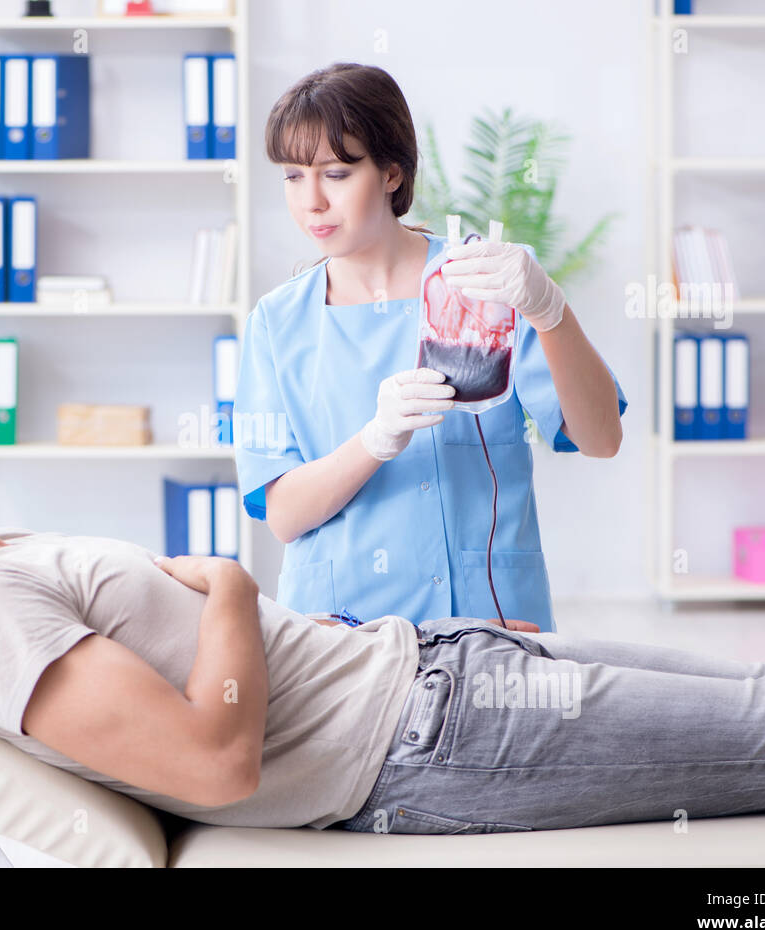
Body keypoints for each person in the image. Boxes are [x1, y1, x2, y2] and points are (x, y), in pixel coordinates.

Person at [0, 383, 765, 833]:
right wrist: (229, 582)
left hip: (434, 672)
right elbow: (212, 763)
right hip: (433, 740)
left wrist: (413, 640)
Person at [234, 63, 627, 633]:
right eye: (293, 176)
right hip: (343, 637)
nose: (311, 201)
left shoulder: (484, 281)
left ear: (392, 173)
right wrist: (375, 440)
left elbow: (602, 438)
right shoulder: (276, 323)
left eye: (337, 173)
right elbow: (285, 516)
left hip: (488, 622)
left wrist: (551, 313)